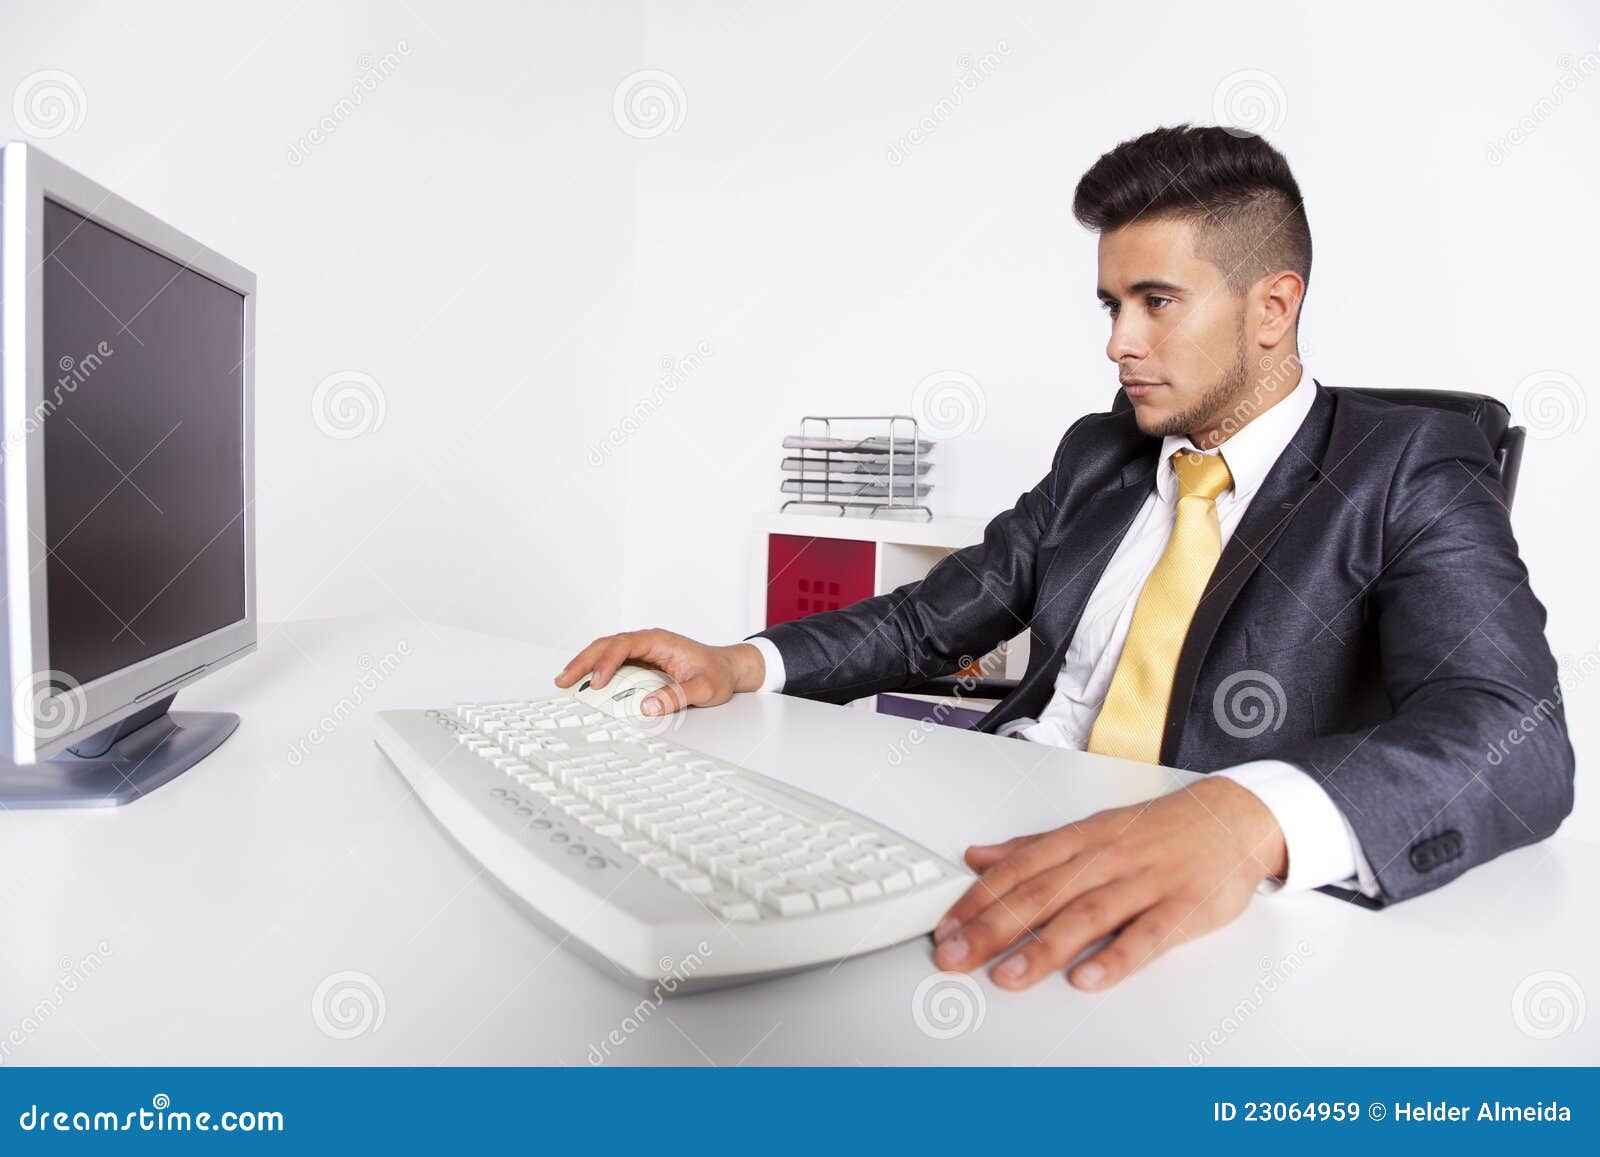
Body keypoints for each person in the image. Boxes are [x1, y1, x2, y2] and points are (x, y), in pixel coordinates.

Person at [557, 125, 1574, 994]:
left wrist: (1250, 812)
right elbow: (929, 620)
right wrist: (742, 663)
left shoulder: (1407, 467)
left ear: (1271, 307)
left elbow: (1513, 734)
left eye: (1156, 301)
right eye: (1109, 305)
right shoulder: (1101, 454)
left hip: (1190, 906)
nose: (1117, 342)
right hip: (996, 826)